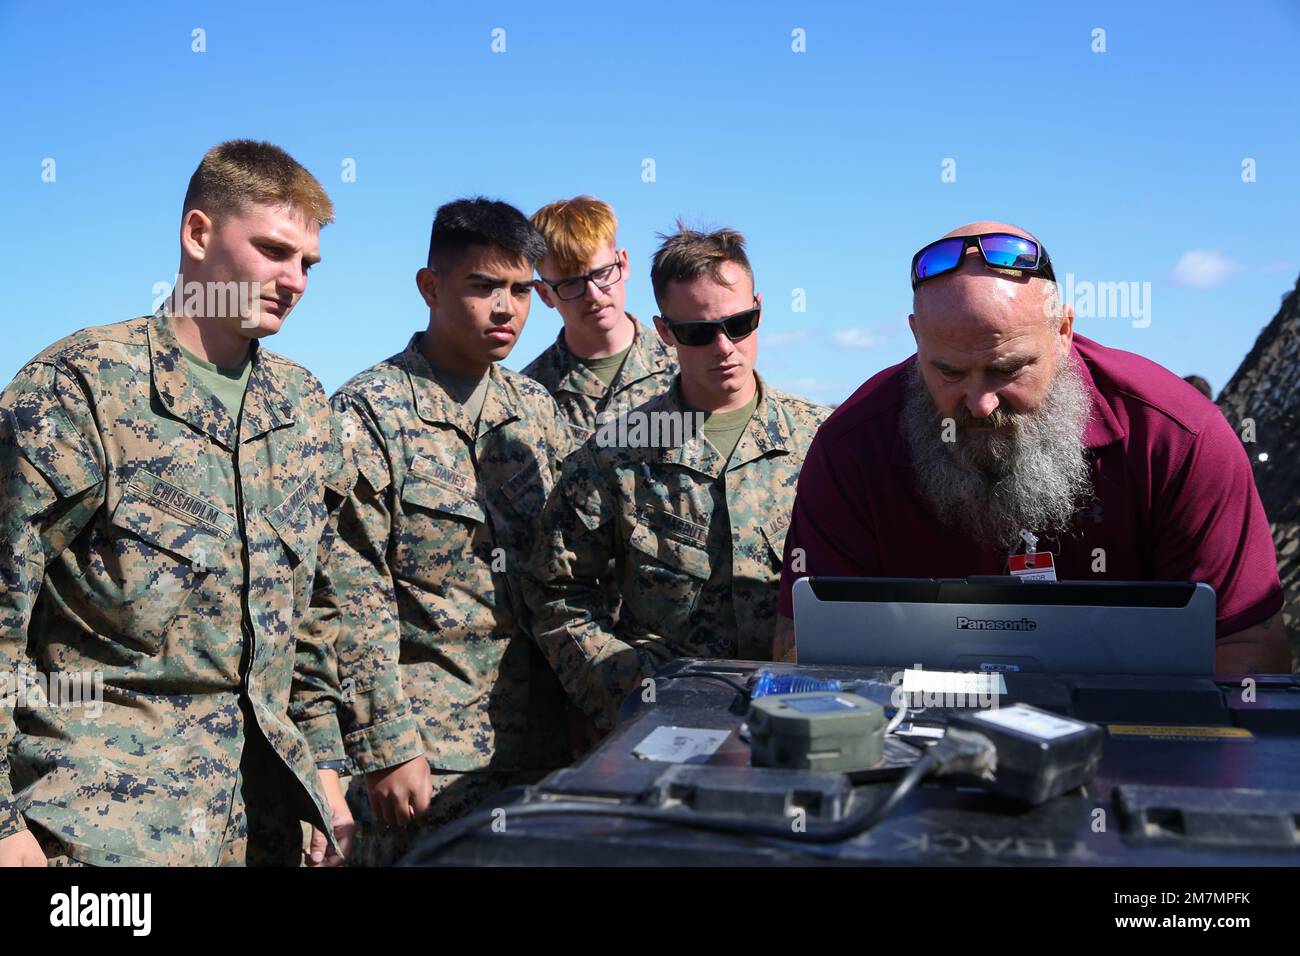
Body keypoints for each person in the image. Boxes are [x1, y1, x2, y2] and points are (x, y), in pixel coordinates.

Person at [0, 140, 354, 867]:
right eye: (273, 250)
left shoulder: (303, 406)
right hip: (102, 832)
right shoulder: (80, 388)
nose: (294, 281)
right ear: (197, 234)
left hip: (265, 826)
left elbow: (315, 611)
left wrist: (323, 767)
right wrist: (3, 828)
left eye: (307, 265)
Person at [775, 222, 1289, 674]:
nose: (978, 403)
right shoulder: (851, 445)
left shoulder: (1177, 437)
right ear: (916, 339)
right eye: (949, 371)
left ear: (1063, 332)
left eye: (1007, 369)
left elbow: (1245, 647)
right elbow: (802, 647)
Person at [318, 198, 573, 865]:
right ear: (431, 287)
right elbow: (351, 593)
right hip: (429, 762)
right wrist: (387, 742)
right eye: (483, 286)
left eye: (521, 290)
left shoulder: (537, 412)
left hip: (545, 754)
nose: (506, 308)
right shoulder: (367, 412)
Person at [525, 224, 830, 731]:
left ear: (760, 308)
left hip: (803, 719)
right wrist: (634, 692)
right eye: (696, 332)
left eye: (740, 324)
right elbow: (558, 593)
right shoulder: (616, 454)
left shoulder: (821, 441)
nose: (723, 346)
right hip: (665, 725)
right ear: (664, 332)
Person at [523, 195, 677, 445]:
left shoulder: (689, 368)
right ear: (544, 294)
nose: (593, 295)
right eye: (571, 284)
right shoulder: (528, 397)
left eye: (602, 273)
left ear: (623, 264)